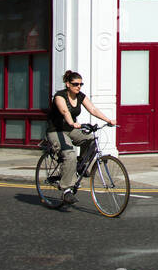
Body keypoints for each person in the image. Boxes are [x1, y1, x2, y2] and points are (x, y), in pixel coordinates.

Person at [46, 70, 115, 205]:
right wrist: (72, 122)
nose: (78, 87)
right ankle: (66, 190)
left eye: (80, 84)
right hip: (57, 130)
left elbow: (93, 109)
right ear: (67, 84)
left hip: (71, 129)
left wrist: (108, 120)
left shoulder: (80, 96)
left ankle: (78, 166)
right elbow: (65, 111)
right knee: (69, 154)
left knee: (91, 140)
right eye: (75, 84)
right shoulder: (59, 96)